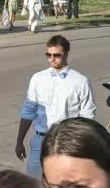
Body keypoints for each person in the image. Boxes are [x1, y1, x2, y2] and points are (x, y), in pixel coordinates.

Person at [15, 35, 95, 179]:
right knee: (34, 186)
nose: (52, 58)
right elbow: (28, 111)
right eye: (49, 54)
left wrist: (82, 145)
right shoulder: (38, 79)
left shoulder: (80, 82)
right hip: (41, 141)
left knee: (63, 186)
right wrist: (19, 141)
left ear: (67, 54)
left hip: (67, 141)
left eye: (57, 55)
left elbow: (87, 117)